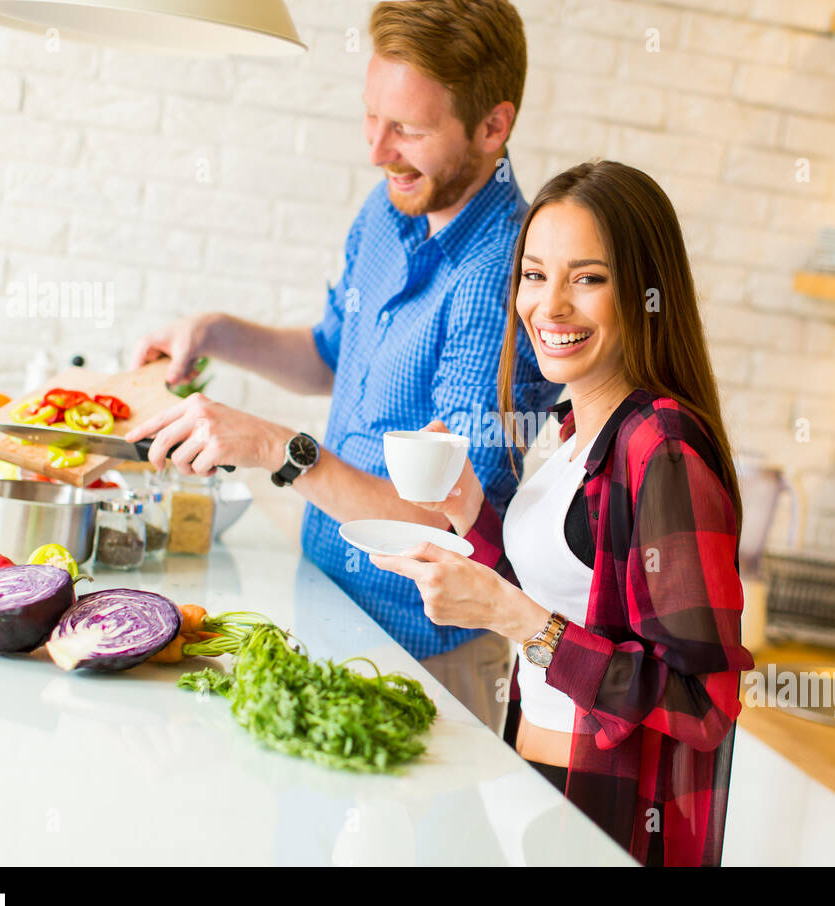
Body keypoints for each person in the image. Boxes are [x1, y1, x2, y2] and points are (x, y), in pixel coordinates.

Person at [126, 0, 559, 733]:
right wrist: (217, 332)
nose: (377, 150)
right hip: (328, 593)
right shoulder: (391, 209)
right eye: (372, 118)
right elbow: (333, 354)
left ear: (493, 127)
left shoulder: (505, 278)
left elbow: (441, 520)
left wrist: (275, 449)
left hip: (429, 652)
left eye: (409, 131)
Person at [370, 161, 754, 867]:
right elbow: (560, 592)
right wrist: (468, 509)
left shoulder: (661, 451)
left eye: (588, 278)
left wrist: (512, 618)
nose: (549, 306)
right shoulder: (568, 426)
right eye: (536, 275)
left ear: (646, 293)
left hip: (607, 821)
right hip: (531, 783)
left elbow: (705, 703)